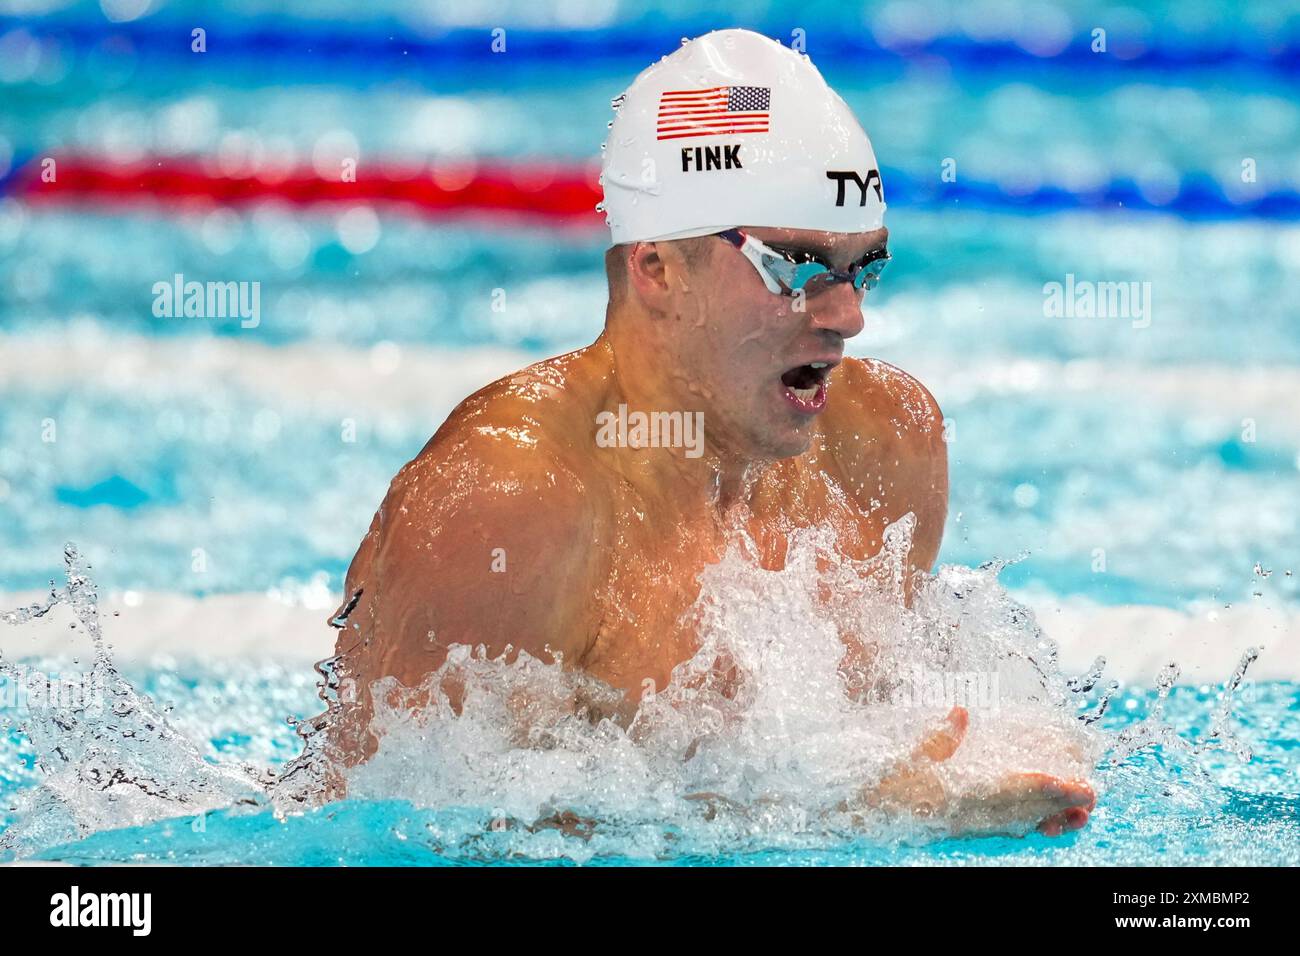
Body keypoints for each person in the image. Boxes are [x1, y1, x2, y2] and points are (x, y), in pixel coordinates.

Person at [320, 28, 1095, 836]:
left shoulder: (885, 445)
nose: (848, 316)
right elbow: (394, 838)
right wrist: (863, 813)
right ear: (657, 268)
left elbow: (887, 739)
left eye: (865, 266)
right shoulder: (510, 508)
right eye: (795, 266)